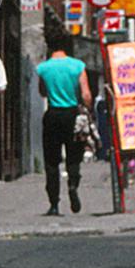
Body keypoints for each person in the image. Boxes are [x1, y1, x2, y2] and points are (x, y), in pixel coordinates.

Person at [37, 32, 93, 215]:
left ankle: (54, 203)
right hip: (72, 115)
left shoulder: (43, 68)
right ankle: (73, 185)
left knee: (52, 161)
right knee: (74, 156)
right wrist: (87, 108)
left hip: (53, 115)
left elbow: (42, 92)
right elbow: (86, 95)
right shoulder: (77, 66)